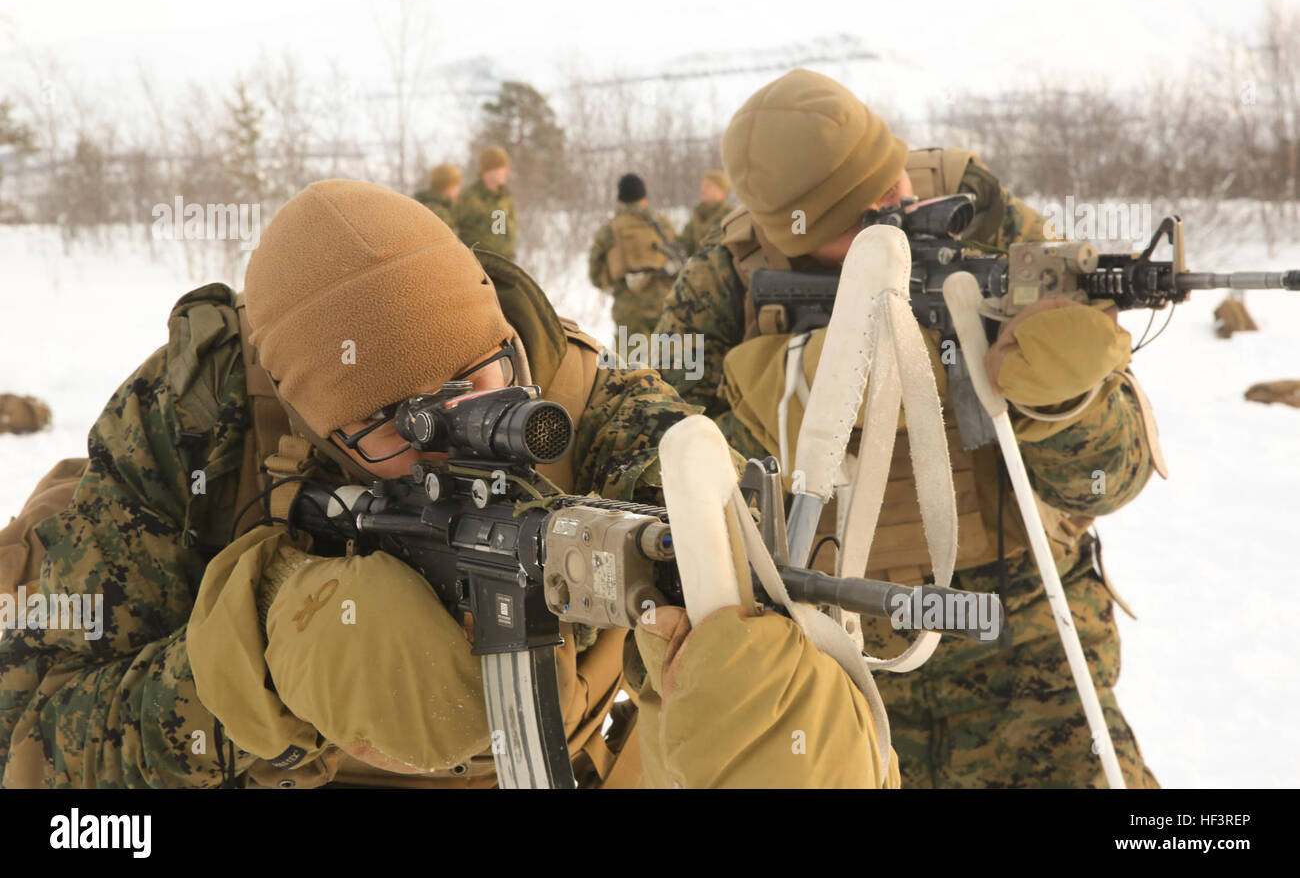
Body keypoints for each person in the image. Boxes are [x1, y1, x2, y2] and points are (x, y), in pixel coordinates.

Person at [0, 179, 894, 789]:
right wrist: (258, 669)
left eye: (478, 380)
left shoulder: (584, 396)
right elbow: (45, 752)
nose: (457, 428)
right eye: (394, 425)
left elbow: (699, 524)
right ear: (316, 431)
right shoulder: (190, 427)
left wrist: (773, 690)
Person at [655, 68, 1162, 788]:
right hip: (833, 661)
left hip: (1025, 646)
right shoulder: (724, 286)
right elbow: (667, 488)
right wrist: (806, 386)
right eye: (866, 222)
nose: (904, 220)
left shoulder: (987, 221)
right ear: (794, 239)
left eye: (897, 190)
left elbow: (1111, 480)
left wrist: (1064, 405)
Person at [588, 173, 683, 343]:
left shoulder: (611, 228)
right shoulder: (663, 224)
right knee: (666, 364)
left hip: (628, 309)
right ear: (644, 198)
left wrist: (610, 282)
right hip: (663, 305)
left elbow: (595, 273)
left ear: (620, 200)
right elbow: (679, 260)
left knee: (629, 366)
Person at [453, 146, 518, 261]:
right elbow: (453, 231)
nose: (507, 172)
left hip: (503, 266)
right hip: (477, 266)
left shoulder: (505, 199)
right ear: (489, 171)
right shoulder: (468, 198)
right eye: (502, 168)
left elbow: (507, 238)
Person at [677, 169, 733, 258]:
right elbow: (684, 244)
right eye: (702, 185)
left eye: (709, 186)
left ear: (722, 191)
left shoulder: (730, 215)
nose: (703, 189)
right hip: (695, 268)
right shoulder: (698, 215)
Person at [413, 163, 462, 229]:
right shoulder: (439, 213)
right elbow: (449, 238)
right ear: (448, 186)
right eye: (456, 186)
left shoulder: (423, 205)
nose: (458, 190)